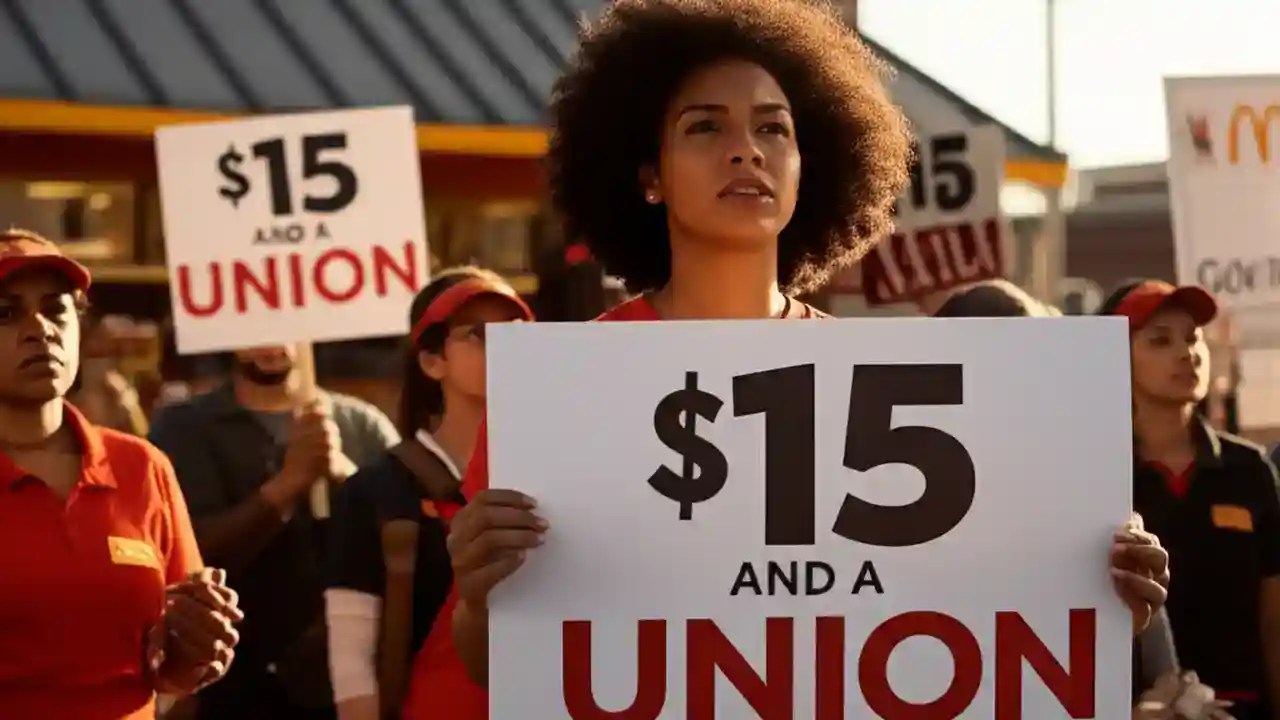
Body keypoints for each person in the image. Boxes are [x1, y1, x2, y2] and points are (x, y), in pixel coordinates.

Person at [418, 2, 1171, 717]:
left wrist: (1095, 603)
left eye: (774, 128)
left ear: (810, 166)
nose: (747, 148)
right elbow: (501, 666)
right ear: (649, 176)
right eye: (705, 127)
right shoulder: (560, 393)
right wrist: (485, 600)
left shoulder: (891, 380)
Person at [0, 228, 242, 719]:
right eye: (6, 313)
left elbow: (173, 674)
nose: (39, 328)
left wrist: (198, 648)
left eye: (55, 310)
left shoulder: (142, 466)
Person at [148, 341, 399, 719]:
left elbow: (407, 539)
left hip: (352, 685)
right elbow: (184, 555)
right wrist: (285, 487)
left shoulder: (363, 424)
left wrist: (346, 476)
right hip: (232, 687)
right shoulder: (182, 427)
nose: (270, 341)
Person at [325, 267, 533, 719]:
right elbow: (352, 666)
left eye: (516, 331)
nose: (505, 345)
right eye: (479, 334)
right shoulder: (376, 491)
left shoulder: (555, 475)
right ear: (432, 361)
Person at [1101, 280, 1280, 720]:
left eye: (1192, 337)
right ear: (1109, 356)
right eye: (1160, 340)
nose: (1186, 352)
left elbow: (1274, 620)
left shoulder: (1248, 469)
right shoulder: (1096, 472)